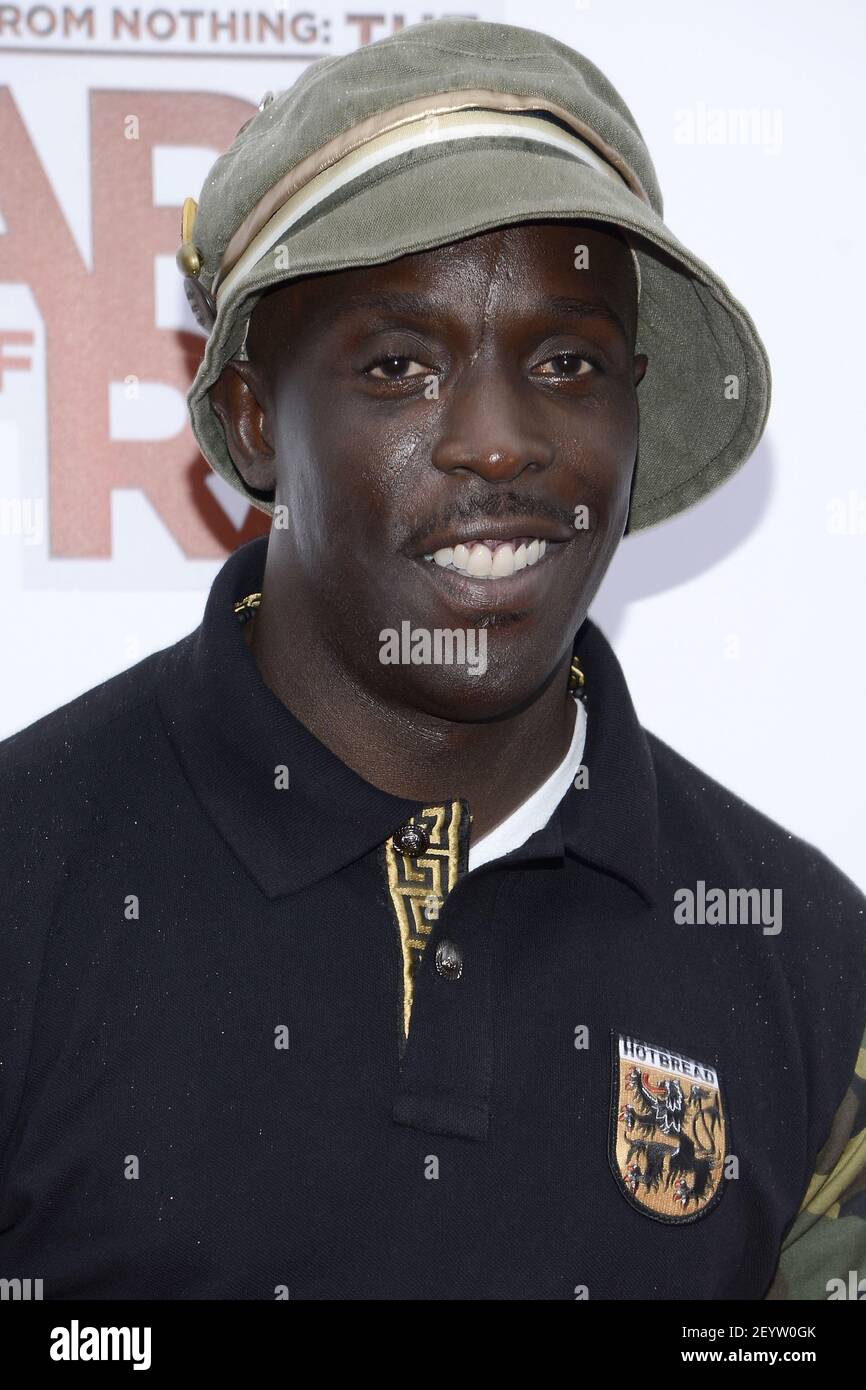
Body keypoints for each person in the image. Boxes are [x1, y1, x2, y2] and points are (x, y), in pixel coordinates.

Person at [1, 17, 863, 1301]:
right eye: (399, 366)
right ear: (250, 421)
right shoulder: (27, 878)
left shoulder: (806, 957)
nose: (500, 445)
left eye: (566, 361)